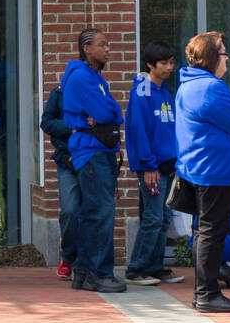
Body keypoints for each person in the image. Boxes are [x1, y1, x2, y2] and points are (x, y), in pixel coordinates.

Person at [175, 31, 230, 312]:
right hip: (213, 170)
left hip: (200, 169)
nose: (227, 57)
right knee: (211, 232)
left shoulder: (190, 84)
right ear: (211, 57)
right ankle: (207, 294)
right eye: (223, 52)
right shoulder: (210, 88)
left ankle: (204, 292)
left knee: (204, 230)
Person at [60, 28, 125, 294]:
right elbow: (103, 110)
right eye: (102, 45)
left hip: (101, 151)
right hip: (91, 152)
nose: (107, 49)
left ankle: (84, 272)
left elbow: (115, 113)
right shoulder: (81, 78)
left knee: (92, 213)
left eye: (108, 45)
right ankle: (99, 273)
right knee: (101, 212)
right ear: (87, 48)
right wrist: (108, 112)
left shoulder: (96, 78)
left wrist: (110, 112)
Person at [124, 40, 184, 285]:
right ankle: (136, 270)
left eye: (171, 62)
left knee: (164, 219)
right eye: (163, 63)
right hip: (153, 167)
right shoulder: (142, 92)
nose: (169, 67)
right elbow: (139, 130)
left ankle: (156, 267)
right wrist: (148, 166)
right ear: (150, 64)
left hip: (168, 165)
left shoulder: (164, 91)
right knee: (152, 218)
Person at [39, 85, 77, 280]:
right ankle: (68, 257)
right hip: (66, 160)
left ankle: (86, 260)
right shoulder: (59, 93)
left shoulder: (95, 90)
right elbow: (46, 122)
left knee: (92, 211)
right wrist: (70, 127)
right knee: (69, 210)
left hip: (93, 159)